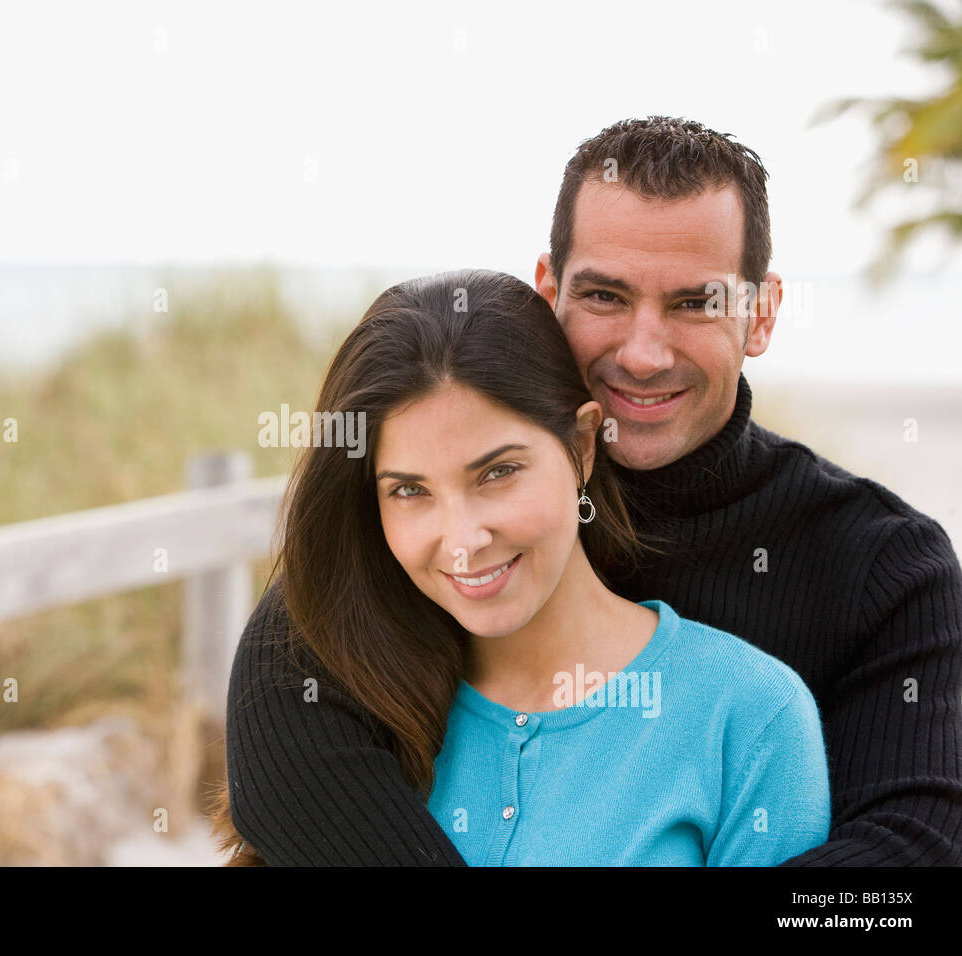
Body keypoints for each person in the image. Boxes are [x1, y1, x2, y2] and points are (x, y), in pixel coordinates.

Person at [213, 116, 962, 866]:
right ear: (550, 292)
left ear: (760, 314)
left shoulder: (884, 568)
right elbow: (286, 739)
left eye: (694, 303)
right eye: (605, 296)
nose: (643, 354)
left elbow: (916, 852)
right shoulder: (435, 542)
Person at [214, 267, 831, 865]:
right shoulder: (351, 705)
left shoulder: (750, 718)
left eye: (498, 473)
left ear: (582, 446)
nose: (462, 540)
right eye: (409, 490)